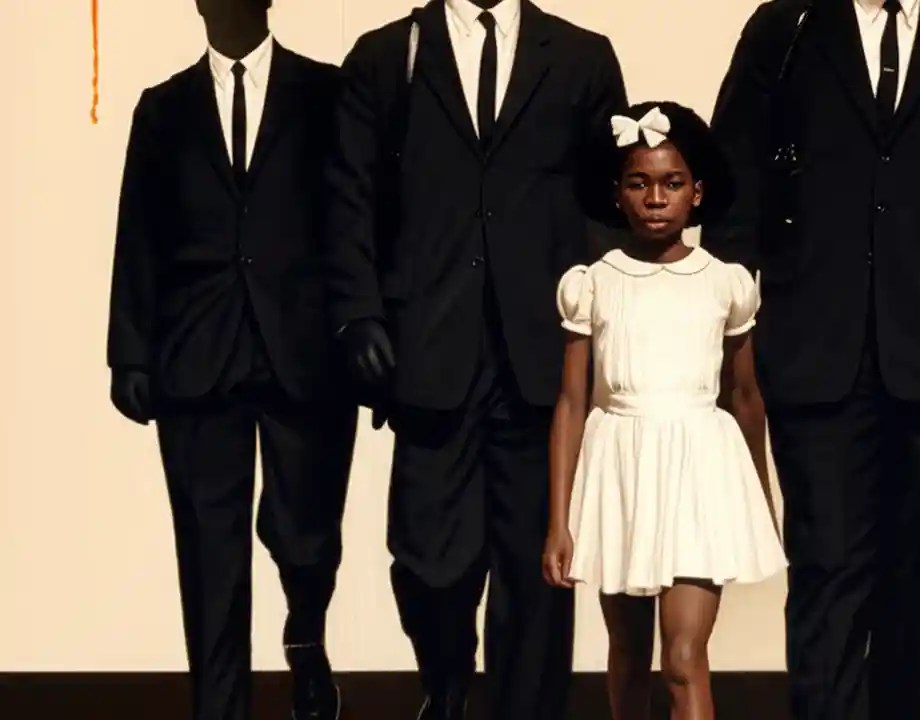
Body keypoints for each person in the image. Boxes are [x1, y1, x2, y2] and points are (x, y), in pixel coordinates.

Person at [704, 1, 920, 717]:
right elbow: (734, 178)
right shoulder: (787, 25)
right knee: (826, 565)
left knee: (912, 572)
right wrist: (726, 333)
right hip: (812, 344)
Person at [325, 1, 627, 717]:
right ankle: (447, 682)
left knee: (538, 567)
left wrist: (599, 323)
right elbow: (347, 196)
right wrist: (358, 313)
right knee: (428, 561)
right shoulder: (385, 55)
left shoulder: (581, 57)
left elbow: (606, 201)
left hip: (543, 352)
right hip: (427, 344)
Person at [106, 1, 355, 719]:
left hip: (307, 355)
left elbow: (356, 216)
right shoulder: (163, 108)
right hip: (196, 356)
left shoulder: (327, 93)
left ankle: (305, 637)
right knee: (209, 555)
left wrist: (366, 331)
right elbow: (139, 233)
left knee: (307, 534)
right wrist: (130, 354)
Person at [542, 101, 788, 720]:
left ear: (697, 192)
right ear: (617, 193)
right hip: (621, 468)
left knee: (682, 658)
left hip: (698, 473)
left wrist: (760, 495)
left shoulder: (725, 282)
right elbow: (571, 401)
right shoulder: (593, 283)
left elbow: (745, 396)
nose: (656, 198)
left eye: (672, 183)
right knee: (629, 655)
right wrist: (559, 521)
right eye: (639, 183)